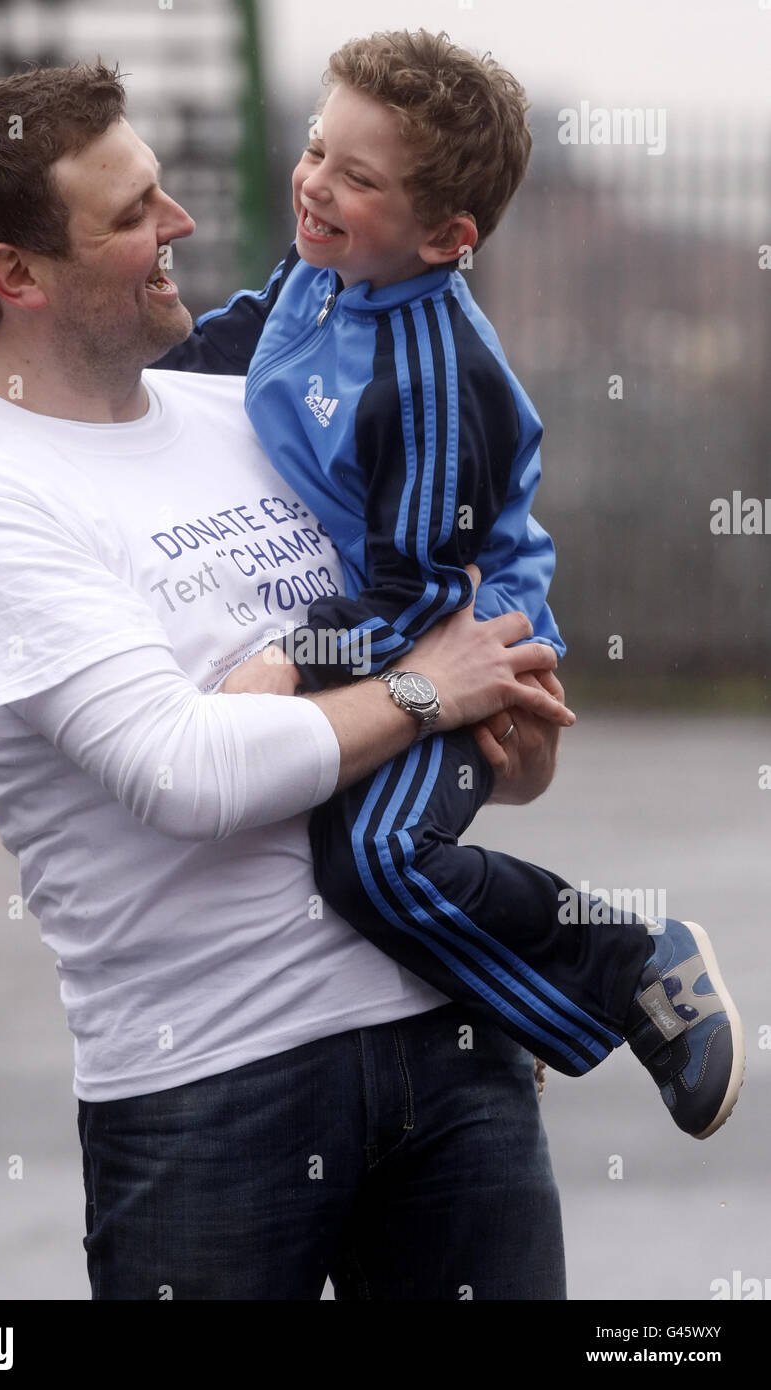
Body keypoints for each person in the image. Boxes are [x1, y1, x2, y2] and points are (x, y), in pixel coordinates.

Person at [0, 61, 572, 1300]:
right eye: (133, 212)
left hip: (450, 1042)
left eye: (162, 191)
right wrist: (430, 692)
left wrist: (507, 733)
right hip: (213, 1090)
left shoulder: (248, 409)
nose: (182, 227)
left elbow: (471, 687)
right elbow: (189, 774)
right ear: (16, 277)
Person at [139, 30, 743, 1138]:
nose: (315, 183)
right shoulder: (323, 277)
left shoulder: (432, 379)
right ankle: (510, 991)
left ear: (445, 237)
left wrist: (285, 661)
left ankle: (631, 962)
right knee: (353, 853)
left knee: (374, 857)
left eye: (356, 179)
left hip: (475, 642)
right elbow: (240, 338)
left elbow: (420, 598)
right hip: (398, 630)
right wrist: (98, 375)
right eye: (318, 148)